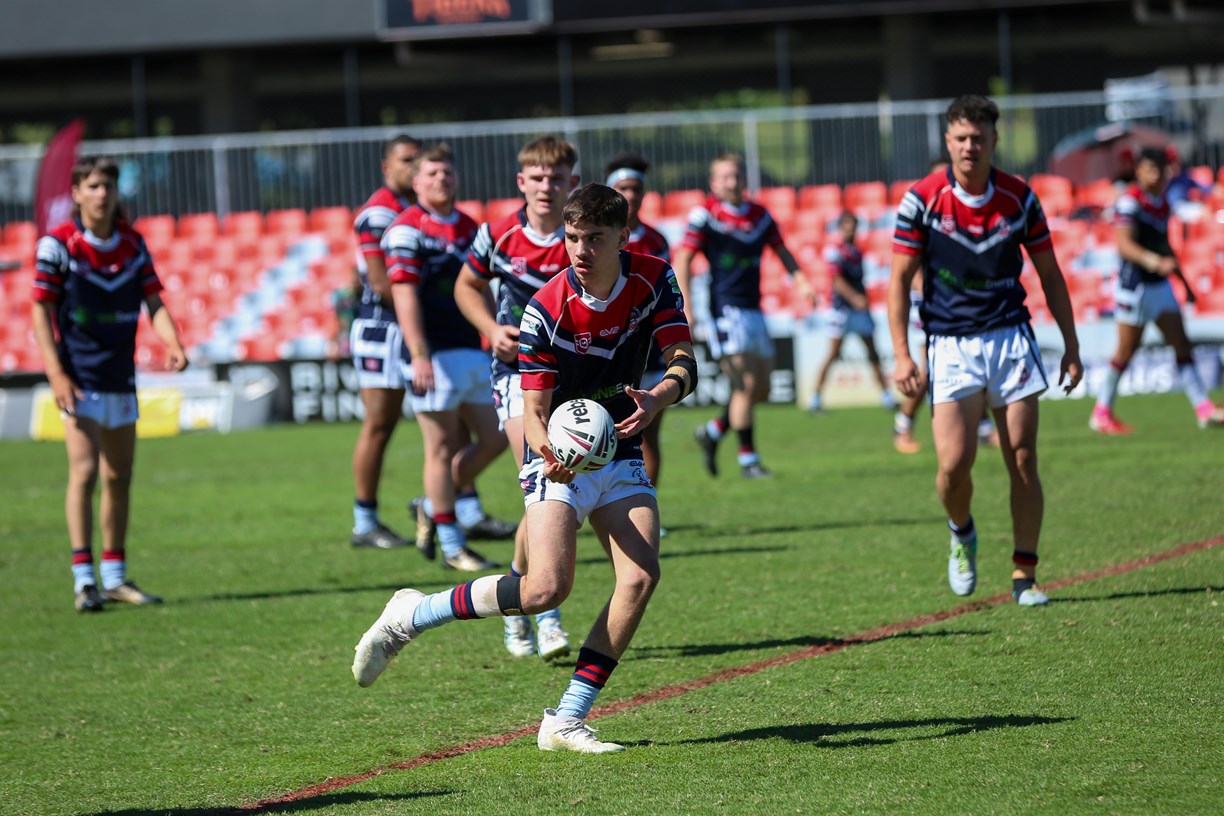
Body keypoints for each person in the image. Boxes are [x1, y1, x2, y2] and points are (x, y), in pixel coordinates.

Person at [352, 182, 697, 754]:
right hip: (557, 452)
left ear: (623, 238)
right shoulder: (544, 309)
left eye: (595, 239)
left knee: (639, 578)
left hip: (620, 446)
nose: (580, 250)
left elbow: (682, 358)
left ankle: (565, 720)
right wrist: (550, 454)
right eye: (572, 238)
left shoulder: (654, 278)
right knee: (544, 590)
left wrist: (659, 397)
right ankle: (413, 613)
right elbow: (533, 410)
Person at [888, 94, 1083, 608]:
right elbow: (898, 280)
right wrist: (902, 354)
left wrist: (1071, 344)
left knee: (1021, 458)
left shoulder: (1020, 197)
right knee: (954, 466)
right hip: (949, 346)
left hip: (1011, 339)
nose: (970, 146)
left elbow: (1050, 274)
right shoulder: (923, 199)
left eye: (979, 137)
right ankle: (961, 531)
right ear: (947, 142)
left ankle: (1025, 575)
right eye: (961, 138)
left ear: (994, 140)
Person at [30, 155, 189, 612]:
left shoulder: (133, 245)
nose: (102, 194)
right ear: (77, 193)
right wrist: (56, 373)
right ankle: (85, 579)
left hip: (120, 377)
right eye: (94, 186)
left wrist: (172, 342)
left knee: (119, 475)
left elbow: (153, 302)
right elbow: (40, 309)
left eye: (108, 186)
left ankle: (115, 576)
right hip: (77, 377)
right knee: (83, 473)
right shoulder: (58, 246)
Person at [454, 135, 579, 660]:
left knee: (557, 497)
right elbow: (466, 285)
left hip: (573, 377)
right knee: (541, 484)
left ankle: (516, 593)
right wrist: (490, 327)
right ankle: (545, 615)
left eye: (557, 177)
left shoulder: (582, 235)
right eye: (537, 176)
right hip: (515, 376)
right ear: (521, 181)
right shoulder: (497, 233)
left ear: (572, 181)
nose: (546, 186)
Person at [384, 144, 508, 571]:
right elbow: (403, 295)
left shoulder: (472, 227)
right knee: (438, 448)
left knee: (497, 437)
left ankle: (431, 503)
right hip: (431, 353)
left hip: (470, 349)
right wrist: (418, 353)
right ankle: (453, 545)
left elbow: (482, 286)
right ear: (416, 182)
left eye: (447, 173)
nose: (441, 179)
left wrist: (492, 332)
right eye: (432, 173)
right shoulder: (405, 229)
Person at [674, 152, 813, 478]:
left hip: (754, 309)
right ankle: (748, 460)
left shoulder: (760, 215)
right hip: (724, 311)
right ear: (713, 182)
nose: (732, 182)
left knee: (761, 388)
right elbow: (683, 260)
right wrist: (687, 307)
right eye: (725, 177)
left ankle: (712, 431)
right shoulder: (705, 216)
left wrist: (803, 282)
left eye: (736, 176)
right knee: (745, 385)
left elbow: (782, 251)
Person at [1090, 146, 1224, 433]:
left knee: (1181, 344)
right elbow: (1124, 245)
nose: (1156, 174)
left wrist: (1184, 283)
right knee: (1126, 352)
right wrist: (1154, 261)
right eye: (1150, 168)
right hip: (1135, 289)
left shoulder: (1162, 201)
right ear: (1138, 171)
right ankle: (1101, 412)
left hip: (1160, 287)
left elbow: (1167, 248)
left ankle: (1204, 408)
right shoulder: (1130, 202)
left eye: (1160, 169)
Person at [892, 159, 1001, 455]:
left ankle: (983, 428)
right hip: (930, 306)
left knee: (974, 366)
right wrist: (926, 290)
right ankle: (902, 426)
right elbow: (908, 264)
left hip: (959, 308)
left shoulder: (963, 211)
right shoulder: (923, 209)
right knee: (928, 373)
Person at [348, 134, 420, 550]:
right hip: (382, 327)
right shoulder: (379, 213)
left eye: (417, 160)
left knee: (456, 419)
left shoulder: (414, 210)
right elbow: (380, 281)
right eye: (405, 160)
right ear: (386, 167)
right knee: (379, 423)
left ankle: (454, 505)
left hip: (409, 324)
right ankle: (365, 521)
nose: (412, 167)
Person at [606, 151, 672, 530]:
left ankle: (648, 509)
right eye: (623, 188)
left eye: (636, 189)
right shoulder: (596, 237)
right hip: (602, 349)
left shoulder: (657, 240)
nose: (631, 195)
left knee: (647, 432)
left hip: (645, 350)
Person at [807, 210, 896, 413]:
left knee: (873, 353)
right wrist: (854, 298)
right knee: (833, 354)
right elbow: (836, 280)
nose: (850, 230)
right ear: (840, 228)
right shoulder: (834, 251)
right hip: (841, 311)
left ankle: (887, 396)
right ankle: (815, 397)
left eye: (853, 226)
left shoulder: (858, 252)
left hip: (860, 312)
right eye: (846, 226)